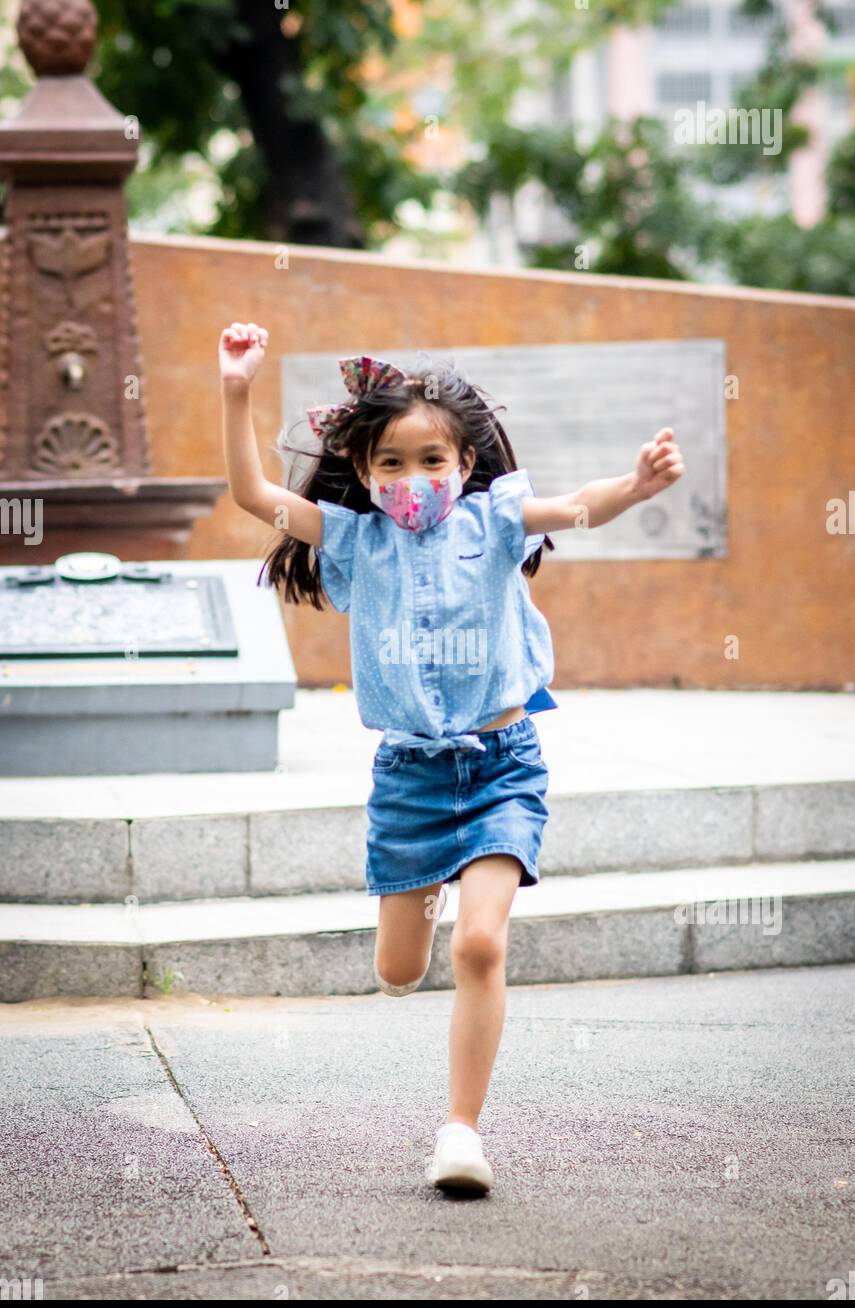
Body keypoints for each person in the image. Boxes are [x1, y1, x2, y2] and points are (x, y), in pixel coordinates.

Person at [219, 322, 685, 1194]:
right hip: (411, 776)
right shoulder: (356, 543)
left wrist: (635, 484)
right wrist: (237, 387)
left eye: (432, 461)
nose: (412, 481)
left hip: (504, 762)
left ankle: (460, 1133)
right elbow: (251, 494)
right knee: (399, 971)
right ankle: (425, 895)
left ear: (466, 465)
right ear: (363, 474)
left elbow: (573, 508)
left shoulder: (496, 520)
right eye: (389, 465)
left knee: (480, 946)